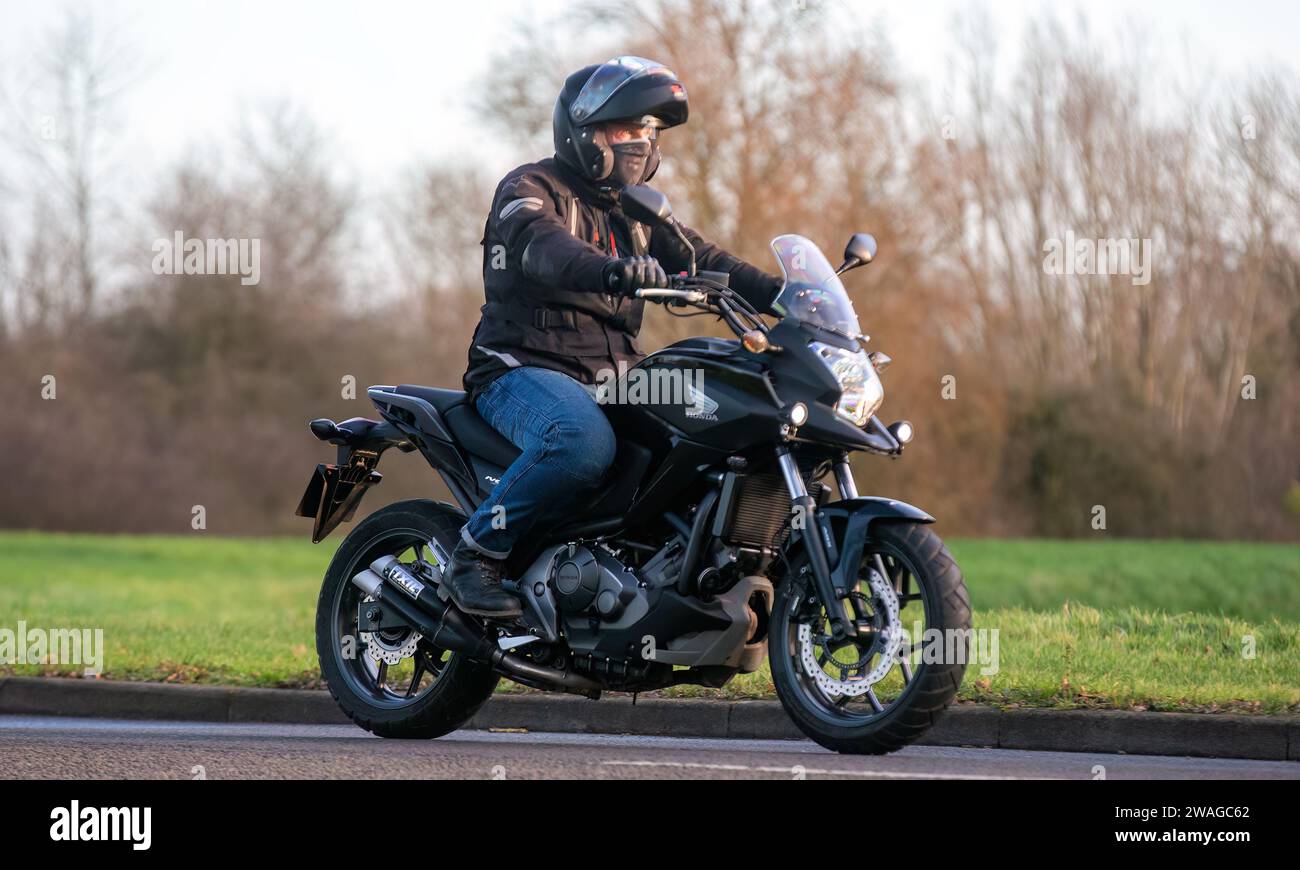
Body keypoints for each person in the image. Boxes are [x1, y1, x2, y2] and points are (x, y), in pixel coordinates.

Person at [442, 56, 784, 617]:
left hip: (614, 377)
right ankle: (476, 556)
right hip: (521, 368)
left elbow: (707, 258)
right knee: (582, 443)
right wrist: (610, 268)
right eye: (626, 130)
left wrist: (787, 297)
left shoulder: (637, 214)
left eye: (648, 133)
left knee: (721, 424)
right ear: (584, 133)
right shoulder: (529, 188)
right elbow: (543, 247)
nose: (640, 144)